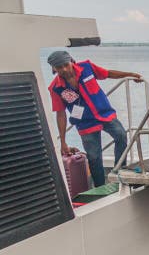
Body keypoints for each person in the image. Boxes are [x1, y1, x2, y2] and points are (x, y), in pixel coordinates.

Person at [47, 50, 143, 187]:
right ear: (54, 68)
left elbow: (107, 73)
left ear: (71, 61)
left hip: (104, 114)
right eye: (59, 67)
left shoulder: (87, 67)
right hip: (85, 123)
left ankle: (119, 171)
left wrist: (130, 74)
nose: (64, 69)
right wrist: (63, 141)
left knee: (121, 135)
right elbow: (60, 114)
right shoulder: (55, 88)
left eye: (65, 65)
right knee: (94, 157)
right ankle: (100, 187)